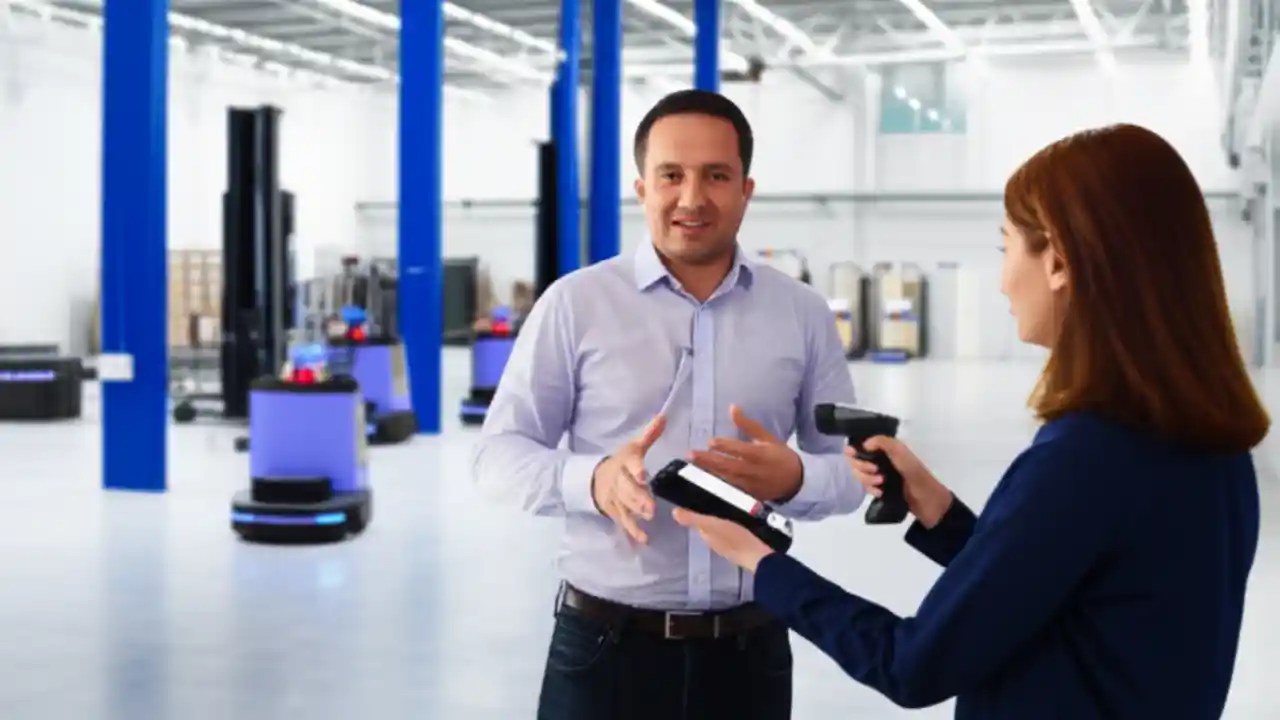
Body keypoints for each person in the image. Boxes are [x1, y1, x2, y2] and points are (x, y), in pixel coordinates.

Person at [674, 123, 1269, 718]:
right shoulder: (1209, 445)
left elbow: (911, 664)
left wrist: (762, 563)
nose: (1004, 281)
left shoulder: (1086, 457)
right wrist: (939, 511)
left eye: (1006, 247)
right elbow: (1049, 597)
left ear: (1058, 261)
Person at [469, 89, 864, 719]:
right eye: (671, 175)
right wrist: (594, 480)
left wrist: (796, 477)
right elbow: (497, 456)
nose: (691, 198)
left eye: (716, 176)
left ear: (746, 189)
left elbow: (852, 471)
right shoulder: (575, 305)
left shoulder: (802, 314)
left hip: (750, 654)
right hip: (604, 652)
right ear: (641, 188)